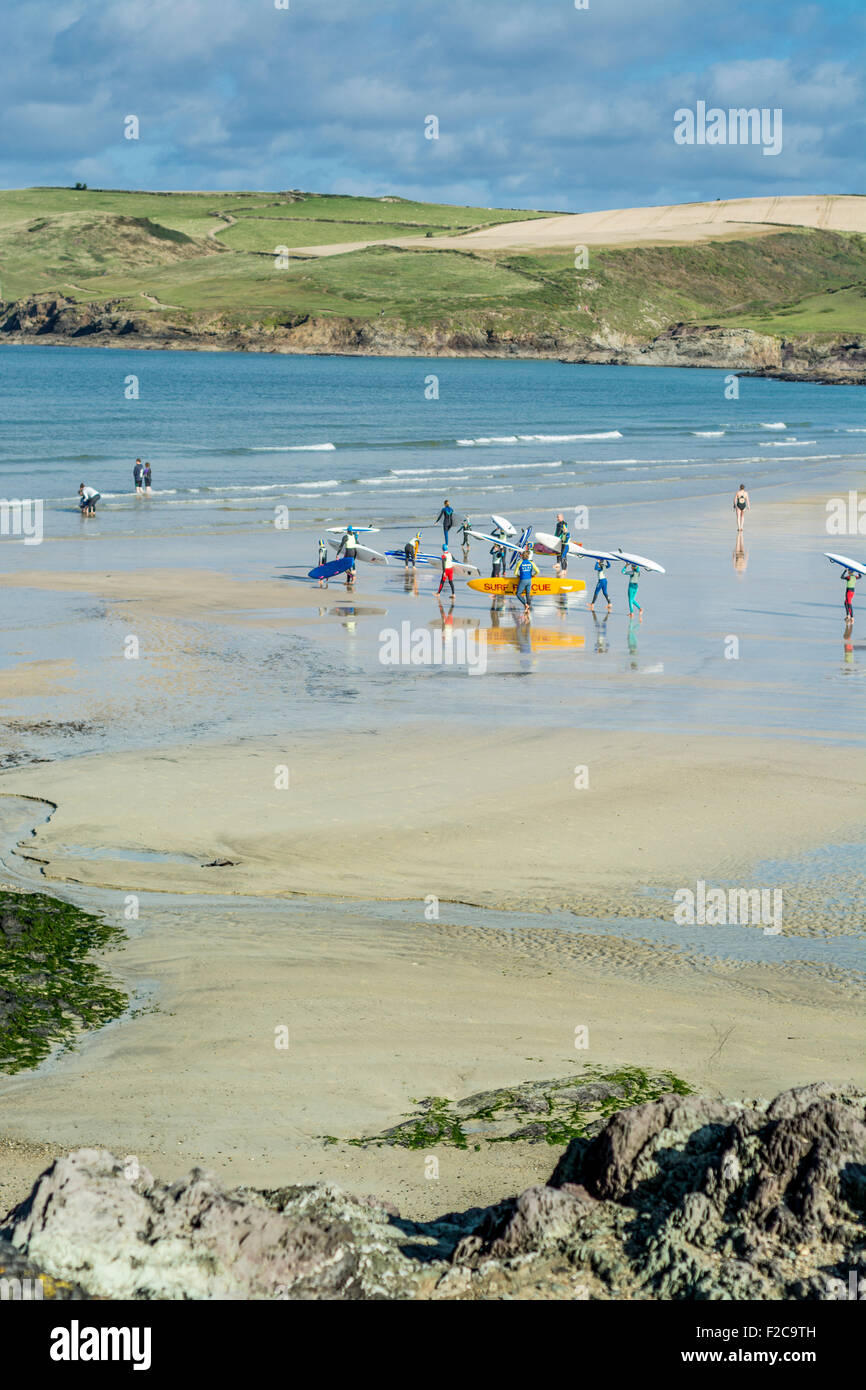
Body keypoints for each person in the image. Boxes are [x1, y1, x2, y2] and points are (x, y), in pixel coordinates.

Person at [515, 546, 539, 616]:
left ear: (522, 556)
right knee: (528, 594)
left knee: (518, 594)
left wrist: (518, 576)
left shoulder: (519, 563)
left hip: (522, 580)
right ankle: (527, 608)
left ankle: (525, 604)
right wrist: (534, 575)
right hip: (529, 580)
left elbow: (515, 573)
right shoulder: (531, 563)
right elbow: (537, 571)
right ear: (528, 556)